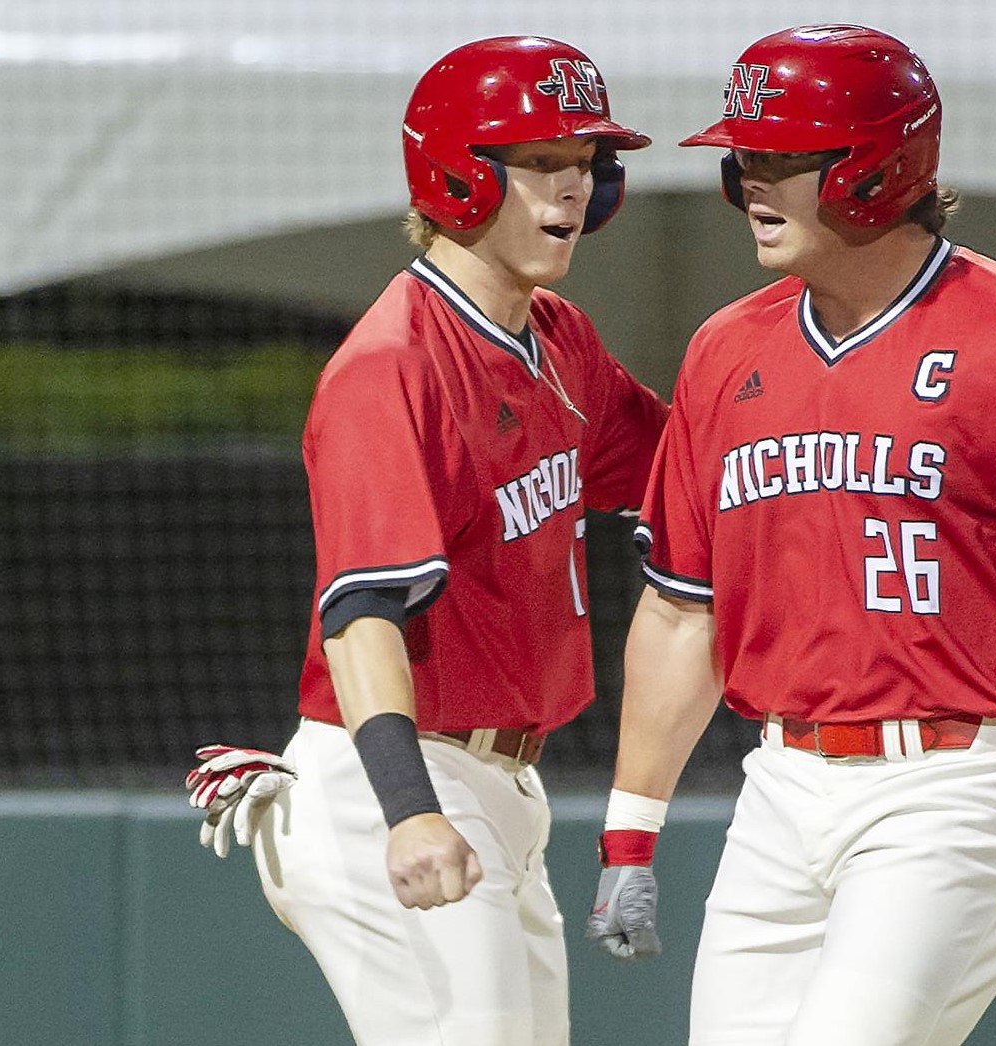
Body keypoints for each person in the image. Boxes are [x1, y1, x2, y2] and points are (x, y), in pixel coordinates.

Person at [584, 25, 996, 1045]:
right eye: (744, 160)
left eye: (779, 158)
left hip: (961, 776)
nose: (748, 184)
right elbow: (683, 614)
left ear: (875, 168)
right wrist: (629, 836)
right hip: (779, 782)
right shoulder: (726, 350)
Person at [199, 36, 666, 1046]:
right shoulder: (394, 365)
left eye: (586, 161)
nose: (573, 186)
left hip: (501, 785)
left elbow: (680, 471)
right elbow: (358, 615)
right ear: (459, 175)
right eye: (541, 160)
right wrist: (407, 806)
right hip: (395, 776)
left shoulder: (559, 340)